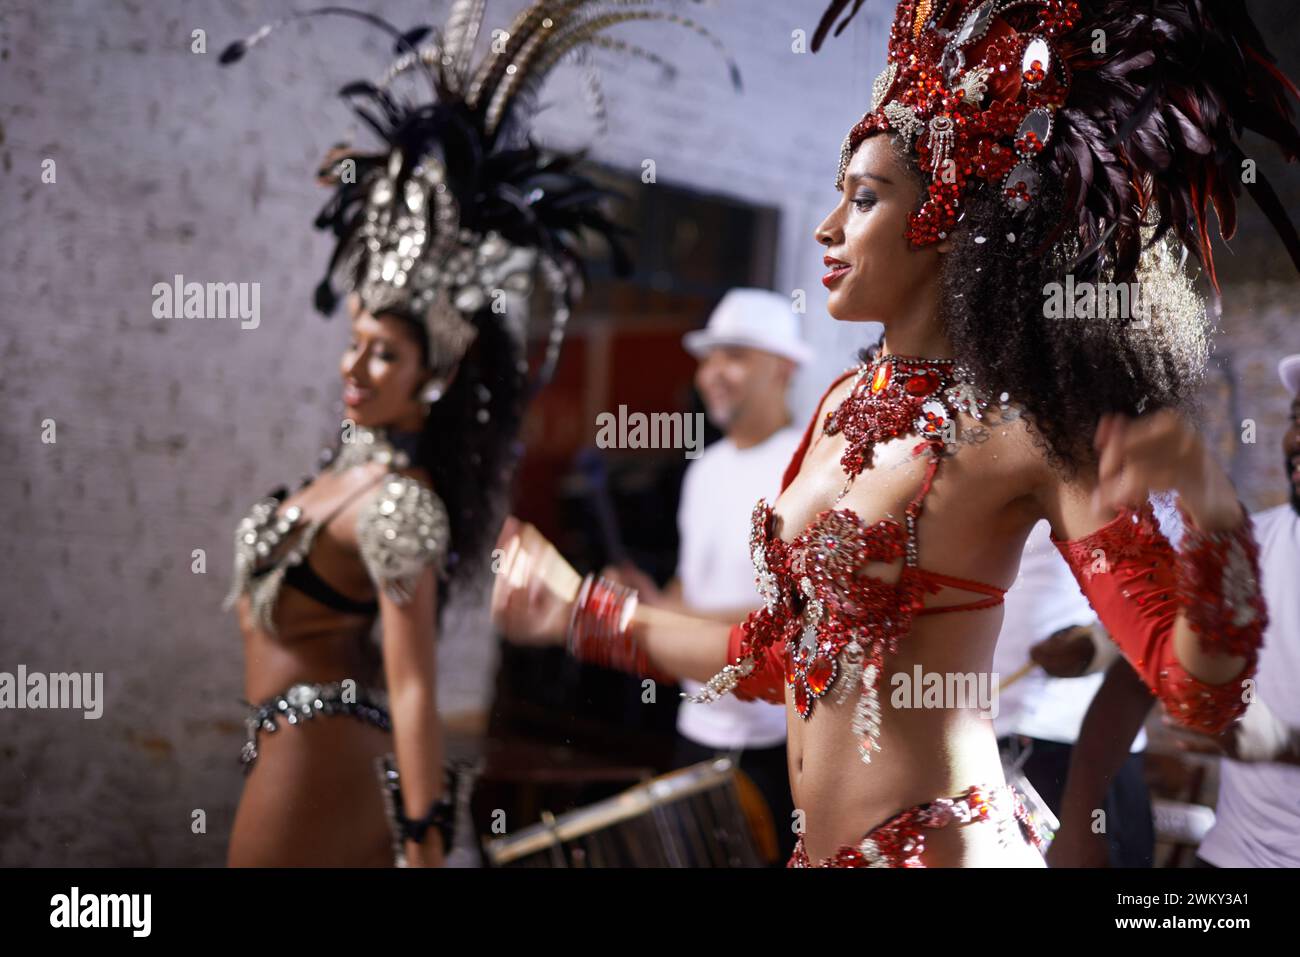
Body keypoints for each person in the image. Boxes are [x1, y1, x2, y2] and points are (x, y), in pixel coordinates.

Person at [491, 0, 1297, 867]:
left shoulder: (1025, 433)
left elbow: (1196, 693)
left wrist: (1215, 520)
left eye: (864, 198)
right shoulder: (841, 401)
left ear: (947, 225)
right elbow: (774, 654)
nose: (827, 227)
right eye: (839, 195)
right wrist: (580, 612)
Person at [217, 0, 722, 866]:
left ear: (434, 377)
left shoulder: (400, 504)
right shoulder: (342, 471)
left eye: (384, 355)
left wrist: (423, 840)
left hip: (323, 770)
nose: (355, 367)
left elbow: (416, 689)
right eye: (354, 345)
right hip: (287, 754)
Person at [1055, 355, 1300, 867]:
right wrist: (1078, 825)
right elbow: (1133, 683)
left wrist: (1284, 745)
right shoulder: (1253, 542)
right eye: (1298, 417)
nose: (1297, 439)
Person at [607, 289, 811, 862]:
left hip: (775, 742)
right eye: (709, 357)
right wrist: (649, 599)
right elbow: (689, 591)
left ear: (785, 368)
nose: (715, 373)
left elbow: (790, 621)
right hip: (696, 730)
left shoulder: (807, 469)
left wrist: (651, 617)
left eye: (736, 356)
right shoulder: (704, 471)